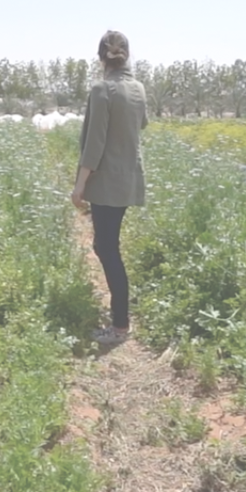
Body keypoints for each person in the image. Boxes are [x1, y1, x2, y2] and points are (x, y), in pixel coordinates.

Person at [71, 30, 148, 344]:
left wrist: (79, 185)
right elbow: (141, 124)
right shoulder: (138, 88)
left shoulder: (102, 89)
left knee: (107, 248)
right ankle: (120, 316)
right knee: (106, 245)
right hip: (128, 178)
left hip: (106, 182)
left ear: (101, 57)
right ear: (126, 55)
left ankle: (120, 325)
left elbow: (94, 143)